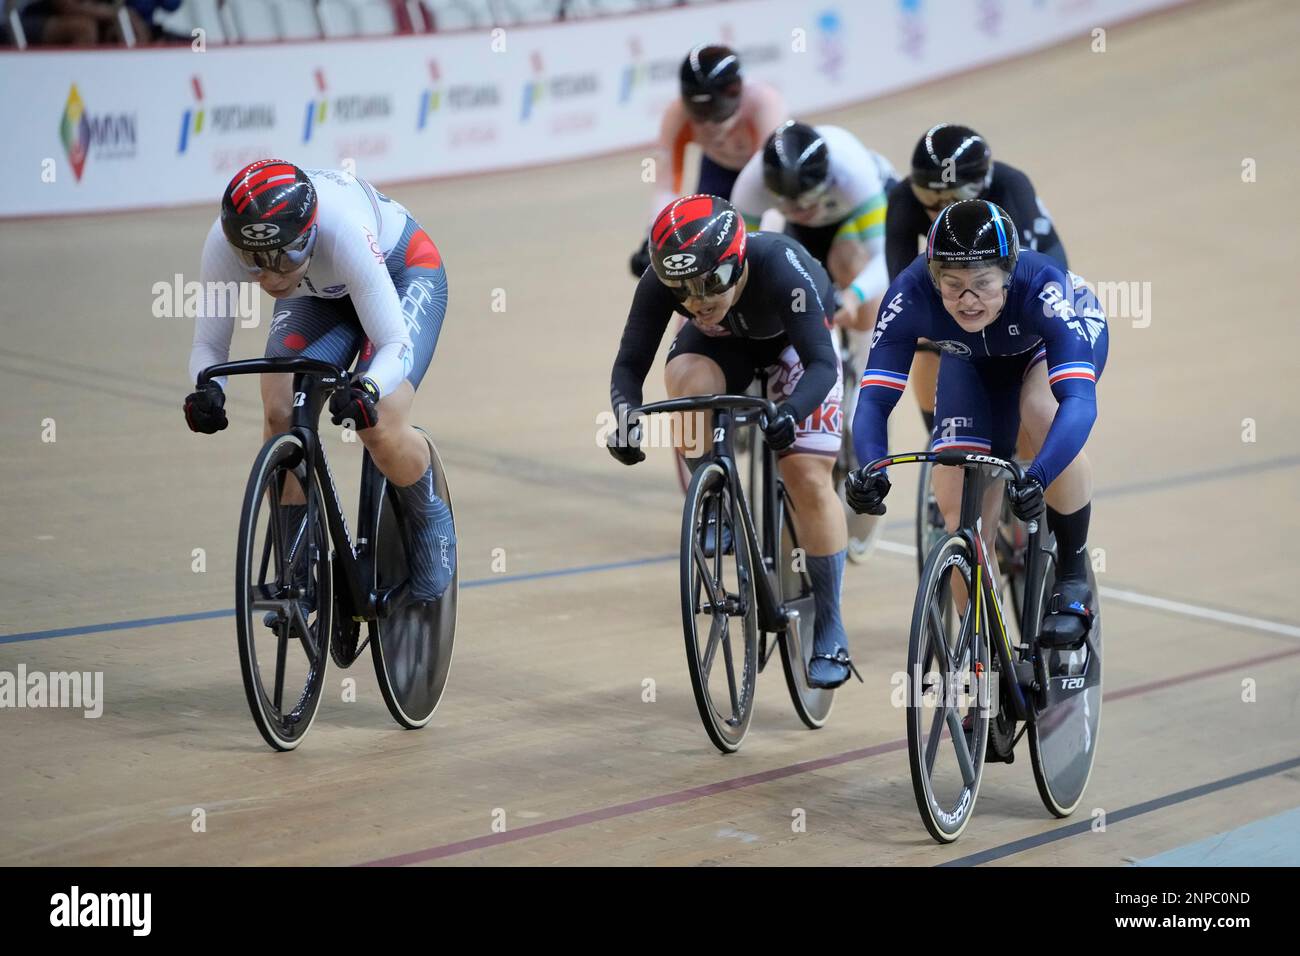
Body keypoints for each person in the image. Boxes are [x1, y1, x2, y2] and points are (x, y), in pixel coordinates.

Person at [183, 160, 455, 617]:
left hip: (399, 270)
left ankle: (428, 516)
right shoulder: (229, 238)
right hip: (317, 293)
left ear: (309, 232)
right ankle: (297, 570)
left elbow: (394, 343)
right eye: (254, 263)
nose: (269, 278)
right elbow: (209, 345)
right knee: (279, 411)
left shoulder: (343, 230)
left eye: (283, 257)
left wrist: (366, 386)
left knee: (380, 421)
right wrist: (208, 389)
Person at [608, 194, 857, 687]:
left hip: (794, 350)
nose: (698, 301)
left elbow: (823, 365)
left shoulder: (781, 266)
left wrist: (791, 412)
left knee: (806, 475)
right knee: (683, 376)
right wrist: (623, 417)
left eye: (712, 283)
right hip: (726, 351)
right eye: (683, 290)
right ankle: (714, 492)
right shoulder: (667, 278)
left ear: (739, 259)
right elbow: (630, 363)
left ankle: (830, 623)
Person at [847, 200, 1107, 648]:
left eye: (982, 284)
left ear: (1007, 272)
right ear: (933, 277)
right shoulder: (909, 294)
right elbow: (873, 400)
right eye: (953, 285)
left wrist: (1039, 475)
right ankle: (984, 658)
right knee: (959, 516)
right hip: (972, 361)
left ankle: (1072, 576)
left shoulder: (1041, 287)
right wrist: (872, 466)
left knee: (1042, 411)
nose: (968, 300)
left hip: (1043, 346)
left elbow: (1079, 403)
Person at [885, 124, 1066, 438]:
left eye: (954, 197)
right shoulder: (903, 198)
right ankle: (939, 433)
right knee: (923, 338)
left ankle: (1025, 461)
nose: (940, 207)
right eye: (929, 195)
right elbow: (901, 280)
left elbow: (1021, 278)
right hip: (957, 271)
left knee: (1026, 345)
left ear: (982, 184)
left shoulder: (1011, 185)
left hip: (1025, 264)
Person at [628, 45, 786, 278]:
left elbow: (774, 191)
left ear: (736, 93)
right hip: (717, 170)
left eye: (716, 109)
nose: (709, 124)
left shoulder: (764, 103)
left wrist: (764, 242)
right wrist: (652, 235)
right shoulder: (676, 115)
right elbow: (666, 185)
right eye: (699, 112)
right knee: (699, 250)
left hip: (762, 177)